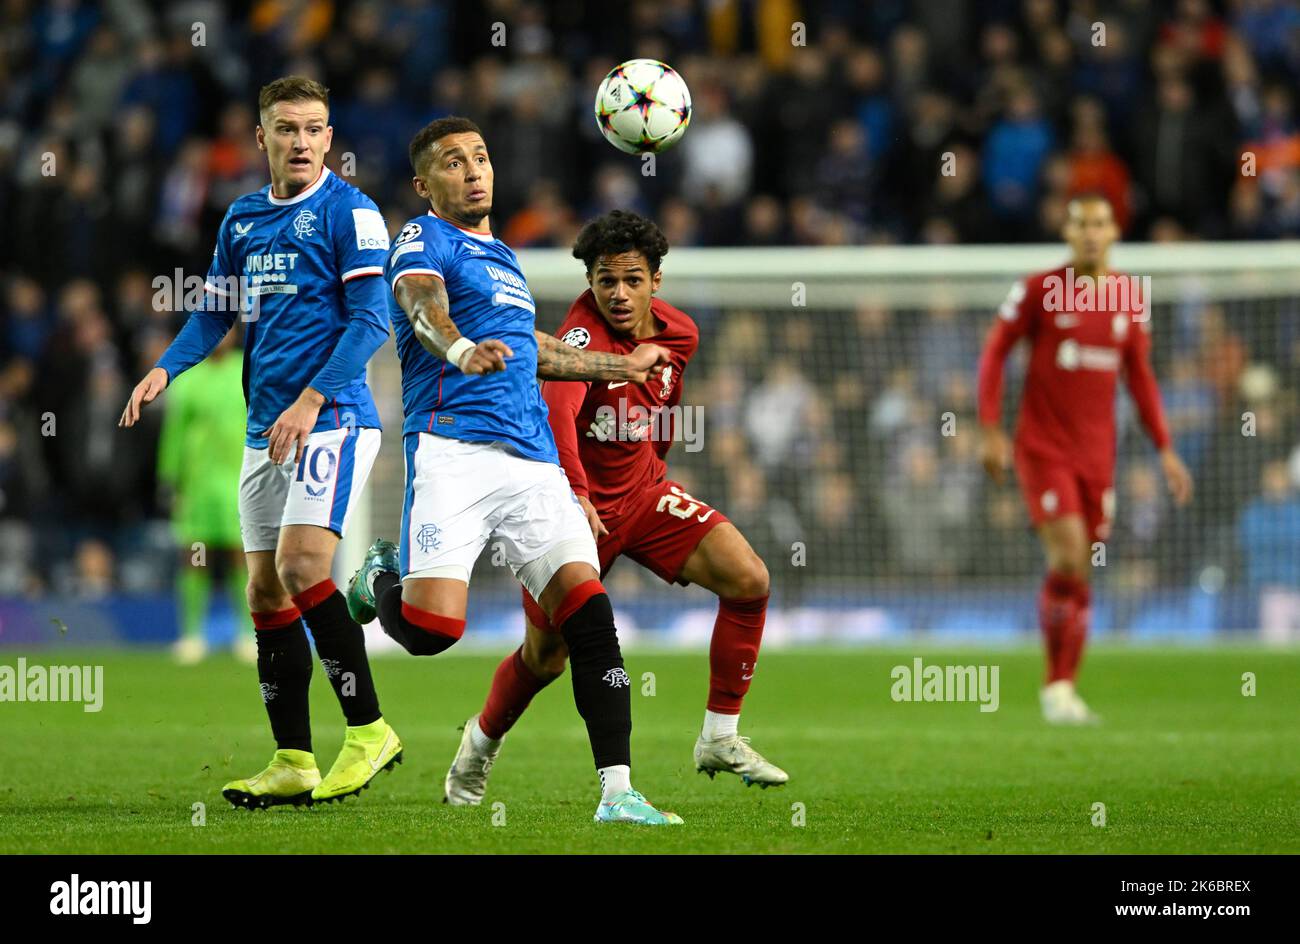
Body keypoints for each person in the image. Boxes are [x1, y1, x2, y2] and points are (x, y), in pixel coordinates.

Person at [345, 117, 680, 825]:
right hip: (453, 451)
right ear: (424, 184)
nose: (473, 170)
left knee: (588, 616)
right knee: (434, 631)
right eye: (453, 162)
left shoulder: (501, 258)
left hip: (533, 464)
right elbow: (421, 307)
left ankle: (618, 792)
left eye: (482, 157)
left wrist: (623, 364)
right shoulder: (421, 239)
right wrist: (459, 349)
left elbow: (534, 350)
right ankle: (379, 577)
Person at [442, 210, 786, 809]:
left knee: (749, 578)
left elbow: (659, 409)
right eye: (605, 281)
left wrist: (654, 470)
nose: (618, 295)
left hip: (645, 498)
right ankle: (479, 743)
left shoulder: (680, 334)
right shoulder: (581, 339)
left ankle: (720, 737)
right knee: (544, 660)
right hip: (575, 513)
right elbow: (558, 417)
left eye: (631, 279)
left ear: (657, 278)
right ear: (590, 283)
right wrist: (575, 491)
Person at [120, 76, 402, 808]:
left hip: (332, 417)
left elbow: (371, 320)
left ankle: (370, 731)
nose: (301, 141)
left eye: (313, 129)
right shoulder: (242, 220)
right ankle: (292, 759)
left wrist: (312, 400)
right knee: (266, 590)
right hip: (263, 427)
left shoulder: (353, 211)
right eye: (286, 129)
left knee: (305, 566)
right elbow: (214, 313)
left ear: (330, 138)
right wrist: (164, 368)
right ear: (262, 138)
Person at [977, 194, 1193, 723]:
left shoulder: (1128, 296)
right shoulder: (1040, 289)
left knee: (1083, 569)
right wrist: (989, 429)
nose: (1091, 233)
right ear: (1067, 232)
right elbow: (995, 351)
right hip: (1043, 448)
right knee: (1071, 554)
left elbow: (1139, 378)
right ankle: (1055, 688)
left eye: (1100, 224)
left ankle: (1064, 687)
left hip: (1099, 458)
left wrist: (1165, 448)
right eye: (1081, 225)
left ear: (1115, 230)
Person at [156, 331, 255, 665]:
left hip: (237, 479)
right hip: (197, 482)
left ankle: (247, 634)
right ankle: (191, 635)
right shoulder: (188, 378)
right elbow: (175, 431)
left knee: (239, 554)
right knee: (194, 555)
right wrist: (169, 477)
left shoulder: (247, 368)